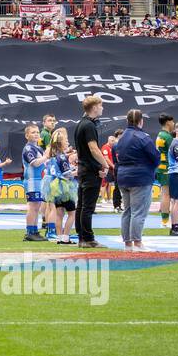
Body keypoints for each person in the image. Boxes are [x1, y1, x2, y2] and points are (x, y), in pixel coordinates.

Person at [114, 109, 159, 251]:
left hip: (123, 177)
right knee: (138, 211)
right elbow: (155, 157)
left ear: (127, 121)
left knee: (127, 211)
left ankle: (128, 244)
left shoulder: (120, 139)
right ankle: (138, 242)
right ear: (141, 121)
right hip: (140, 178)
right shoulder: (143, 137)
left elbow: (117, 157)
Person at [73, 95, 109, 248]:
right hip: (89, 171)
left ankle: (82, 237)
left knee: (81, 206)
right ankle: (88, 238)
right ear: (94, 107)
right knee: (87, 207)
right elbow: (93, 149)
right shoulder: (89, 126)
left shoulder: (81, 124)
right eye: (101, 105)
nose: (102, 108)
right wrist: (105, 164)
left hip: (83, 169)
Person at [21, 123, 50, 242]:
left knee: (37, 207)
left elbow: (44, 163)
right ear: (27, 135)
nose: (36, 134)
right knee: (33, 206)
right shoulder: (28, 148)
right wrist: (46, 156)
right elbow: (35, 163)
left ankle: (34, 230)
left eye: (37, 132)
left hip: (39, 180)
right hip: (32, 180)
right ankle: (29, 232)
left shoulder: (38, 148)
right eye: (33, 132)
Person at [154, 113, 175, 228]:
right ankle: (165, 221)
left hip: (161, 167)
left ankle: (165, 220)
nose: (173, 124)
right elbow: (174, 153)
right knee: (166, 195)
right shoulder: (167, 136)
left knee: (165, 194)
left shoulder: (160, 135)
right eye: (172, 121)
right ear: (168, 122)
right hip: (167, 167)